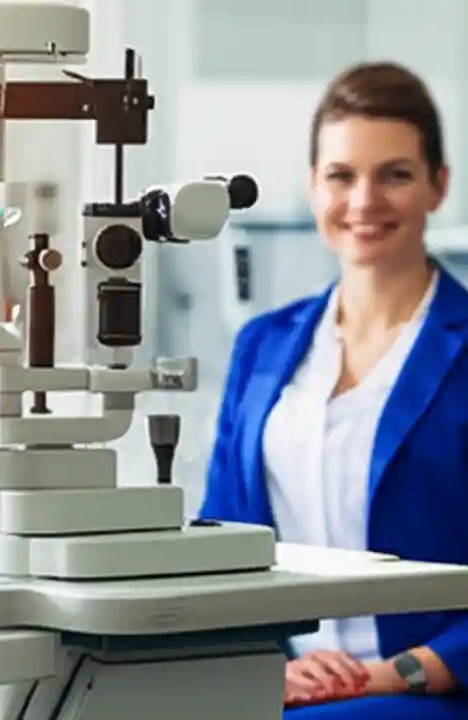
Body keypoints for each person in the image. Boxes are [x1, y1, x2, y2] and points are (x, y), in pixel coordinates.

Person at [198, 60, 468, 719]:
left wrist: (396, 674)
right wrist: (278, 665)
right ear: (313, 187)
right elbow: (221, 543)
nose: (364, 201)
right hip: (284, 684)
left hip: (428, 691)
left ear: (438, 185)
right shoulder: (263, 346)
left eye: (395, 175)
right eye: (341, 176)